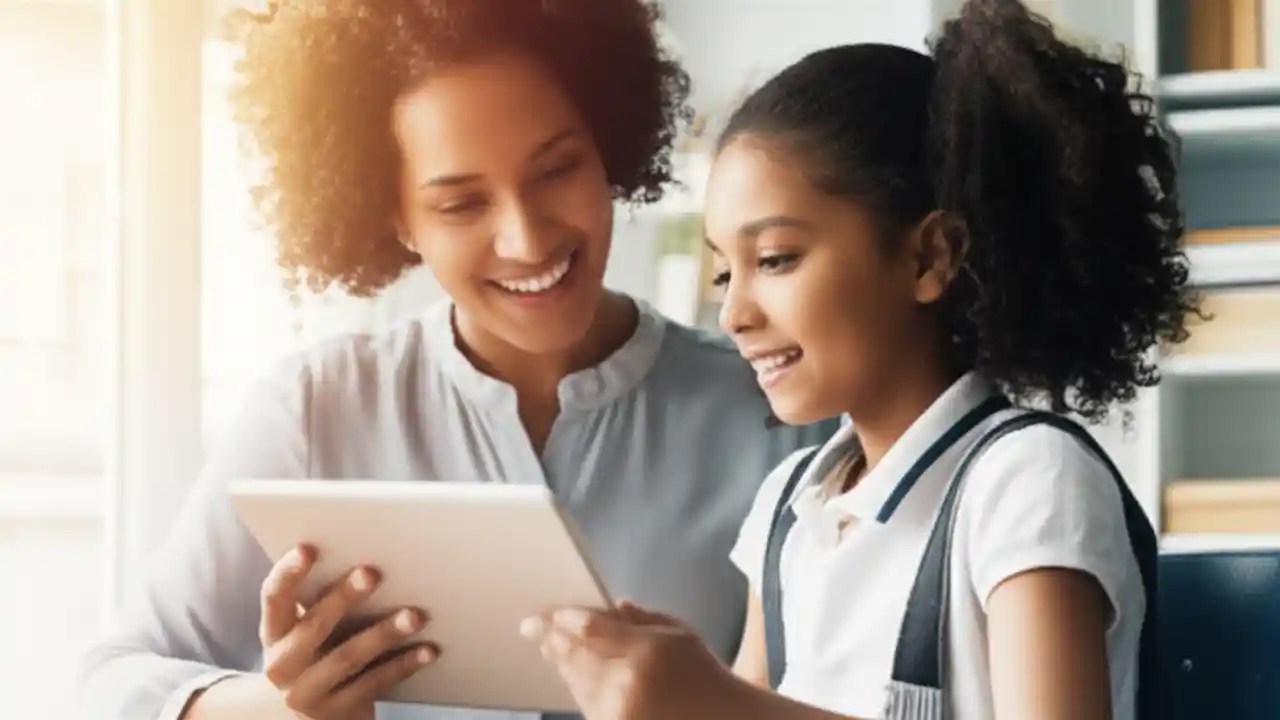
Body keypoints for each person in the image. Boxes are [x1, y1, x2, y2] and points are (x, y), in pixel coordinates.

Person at [76, 1, 835, 719]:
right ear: (394, 216)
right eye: (460, 204)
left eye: (555, 170)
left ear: (608, 143)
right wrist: (282, 707)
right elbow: (112, 681)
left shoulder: (775, 413)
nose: (528, 239)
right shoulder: (316, 409)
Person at [521, 1, 1196, 718]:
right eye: (725, 273)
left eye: (775, 259)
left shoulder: (1026, 482)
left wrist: (716, 704)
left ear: (930, 256)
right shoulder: (788, 504)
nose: (734, 314)